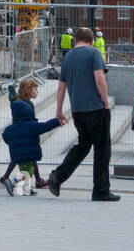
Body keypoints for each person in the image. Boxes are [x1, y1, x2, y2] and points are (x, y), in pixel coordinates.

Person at [46, 27, 119, 201]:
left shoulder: (68, 56)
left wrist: (59, 110)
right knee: (102, 149)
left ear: (75, 39)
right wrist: (106, 102)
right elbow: (100, 78)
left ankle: (58, 176)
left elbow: (61, 86)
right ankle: (101, 190)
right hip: (95, 108)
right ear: (92, 40)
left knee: (83, 146)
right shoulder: (93, 53)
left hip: (77, 110)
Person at [0, 77, 62, 194]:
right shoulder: (26, 107)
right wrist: (56, 122)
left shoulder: (20, 105)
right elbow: (41, 127)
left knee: (27, 166)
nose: (37, 92)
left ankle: (26, 186)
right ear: (28, 90)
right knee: (27, 169)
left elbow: (7, 135)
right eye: (35, 89)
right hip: (26, 141)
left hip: (23, 142)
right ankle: (12, 183)